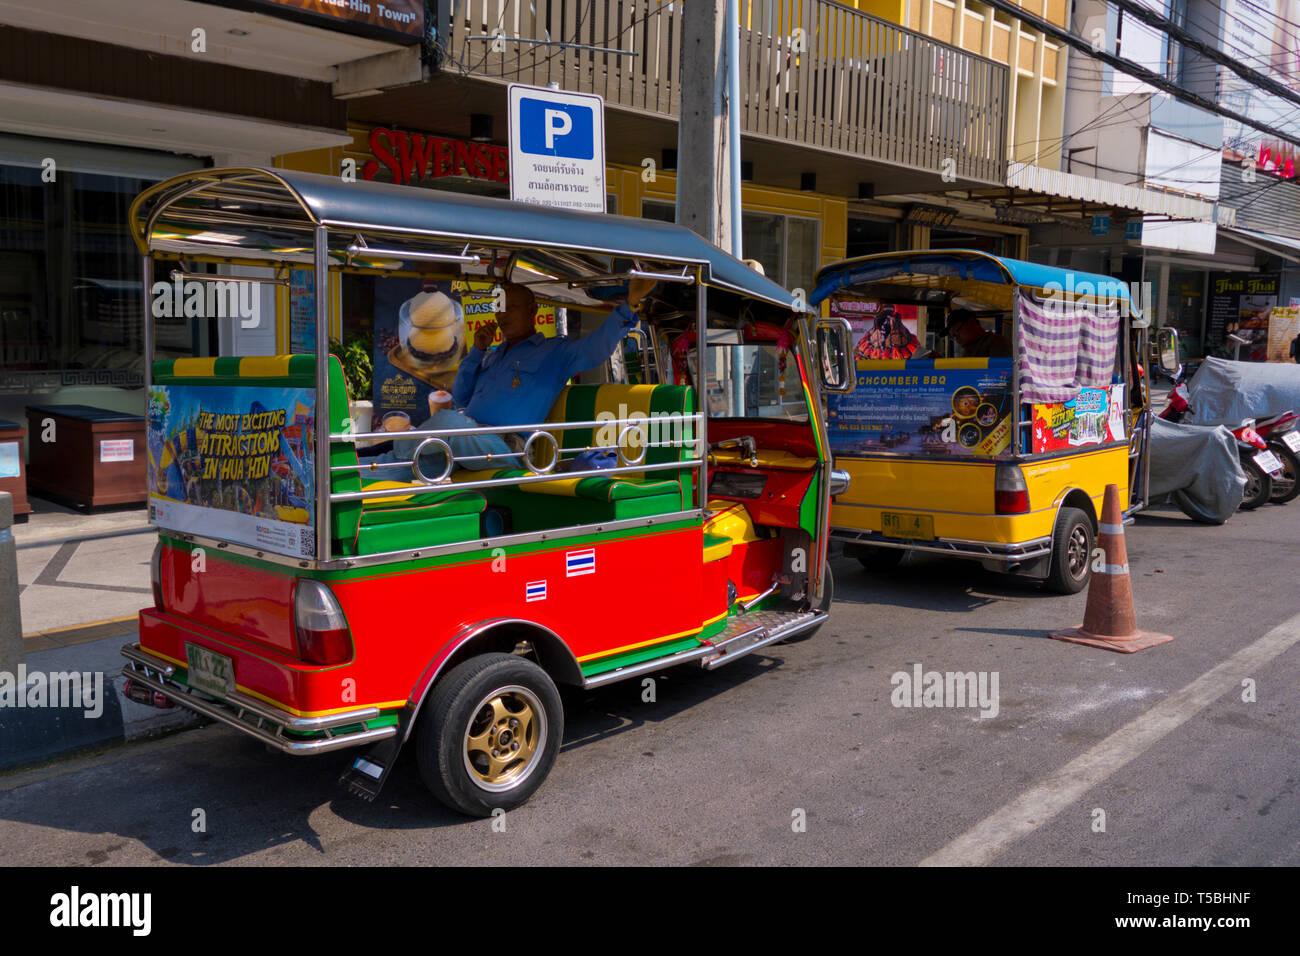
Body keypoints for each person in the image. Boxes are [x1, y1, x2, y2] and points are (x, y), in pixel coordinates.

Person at [368, 279, 652, 478]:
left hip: (507, 448)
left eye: (510, 307)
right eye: (499, 307)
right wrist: (477, 351)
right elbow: (461, 395)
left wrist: (629, 305)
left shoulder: (555, 352)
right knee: (406, 466)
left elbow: (595, 349)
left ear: (532, 311)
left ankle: (398, 445)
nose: (502, 315)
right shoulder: (492, 355)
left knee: (450, 423)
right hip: (467, 443)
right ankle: (346, 475)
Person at [944, 308, 1012, 358]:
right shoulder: (968, 350)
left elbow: (998, 373)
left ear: (971, 322)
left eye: (957, 332)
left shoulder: (997, 342)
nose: (957, 339)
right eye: (953, 336)